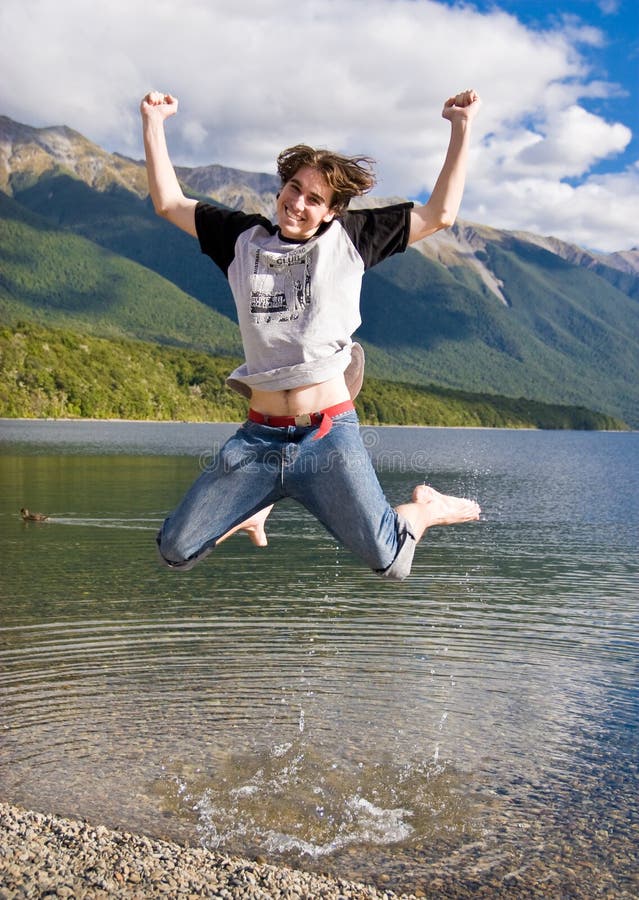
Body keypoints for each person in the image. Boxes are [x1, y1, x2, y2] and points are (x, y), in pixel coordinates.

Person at [141, 88, 482, 580]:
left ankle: (426, 508)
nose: (297, 203)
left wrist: (461, 126)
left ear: (331, 211)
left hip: (327, 436)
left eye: (314, 198)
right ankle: (253, 505)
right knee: (175, 550)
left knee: (390, 560)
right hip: (257, 439)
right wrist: (153, 122)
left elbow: (439, 215)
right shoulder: (242, 240)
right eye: (293, 188)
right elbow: (169, 203)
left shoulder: (350, 239)